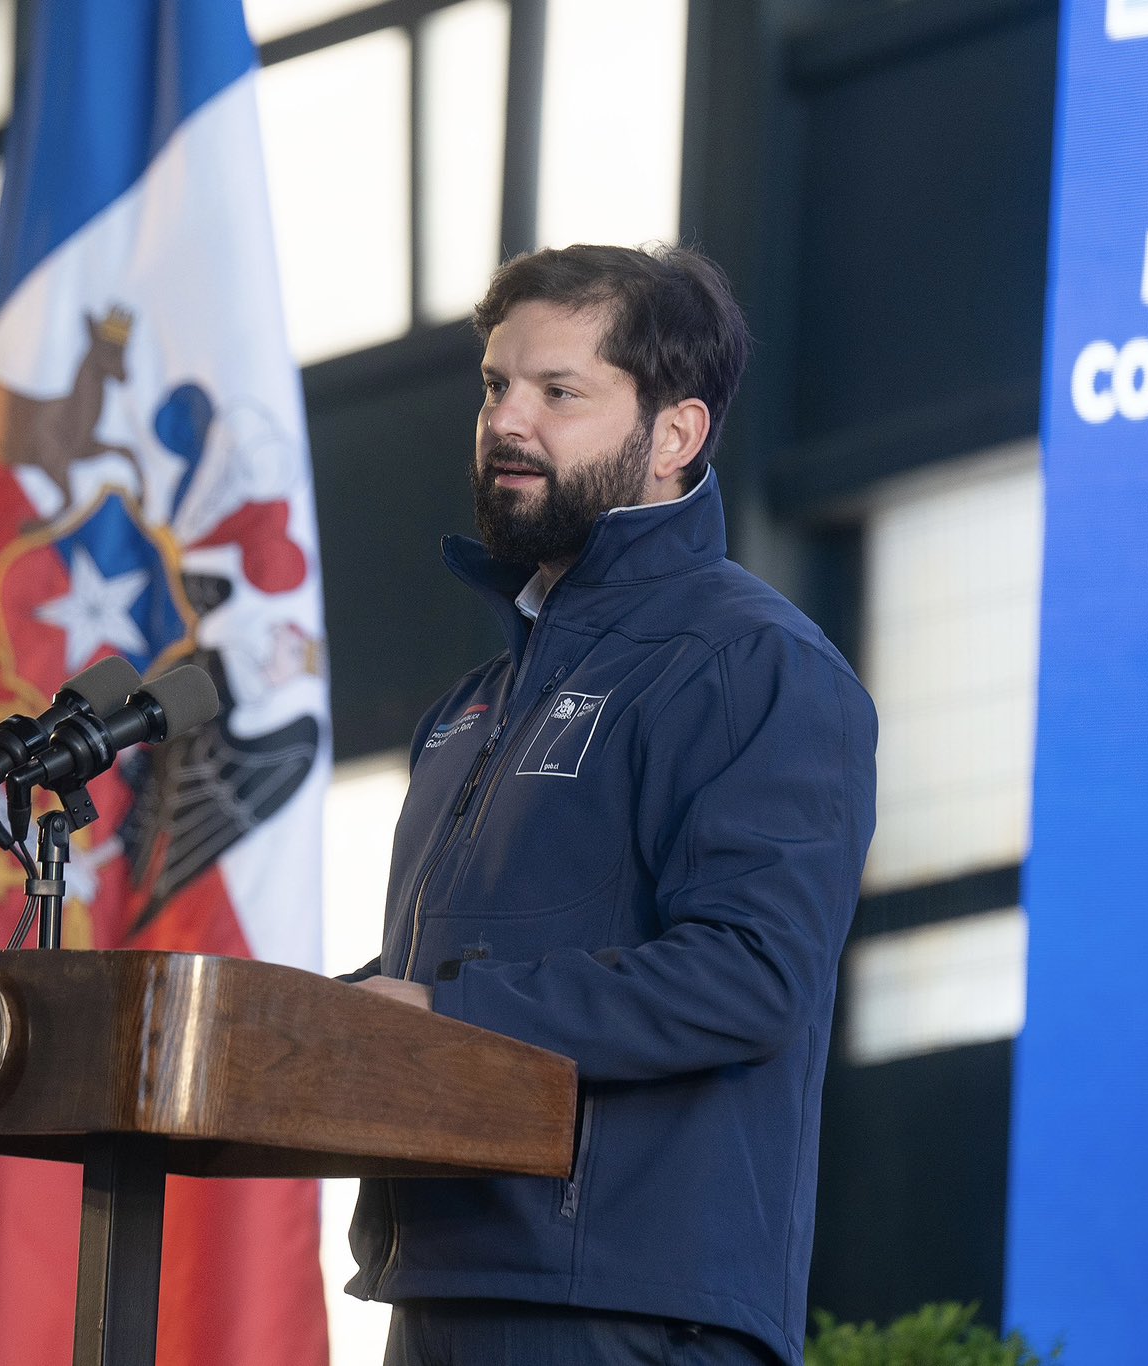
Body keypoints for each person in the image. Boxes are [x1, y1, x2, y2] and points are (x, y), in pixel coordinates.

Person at [343, 244, 877, 1366]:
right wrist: (311, 1018)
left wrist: (438, 1016)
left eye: (559, 392)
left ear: (674, 435)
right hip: (440, 1281)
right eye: (496, 385)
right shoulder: (471, 708)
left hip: (628, 1309)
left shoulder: (752, 665)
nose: (506, 420)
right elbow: (455, 973)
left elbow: (750, 976)